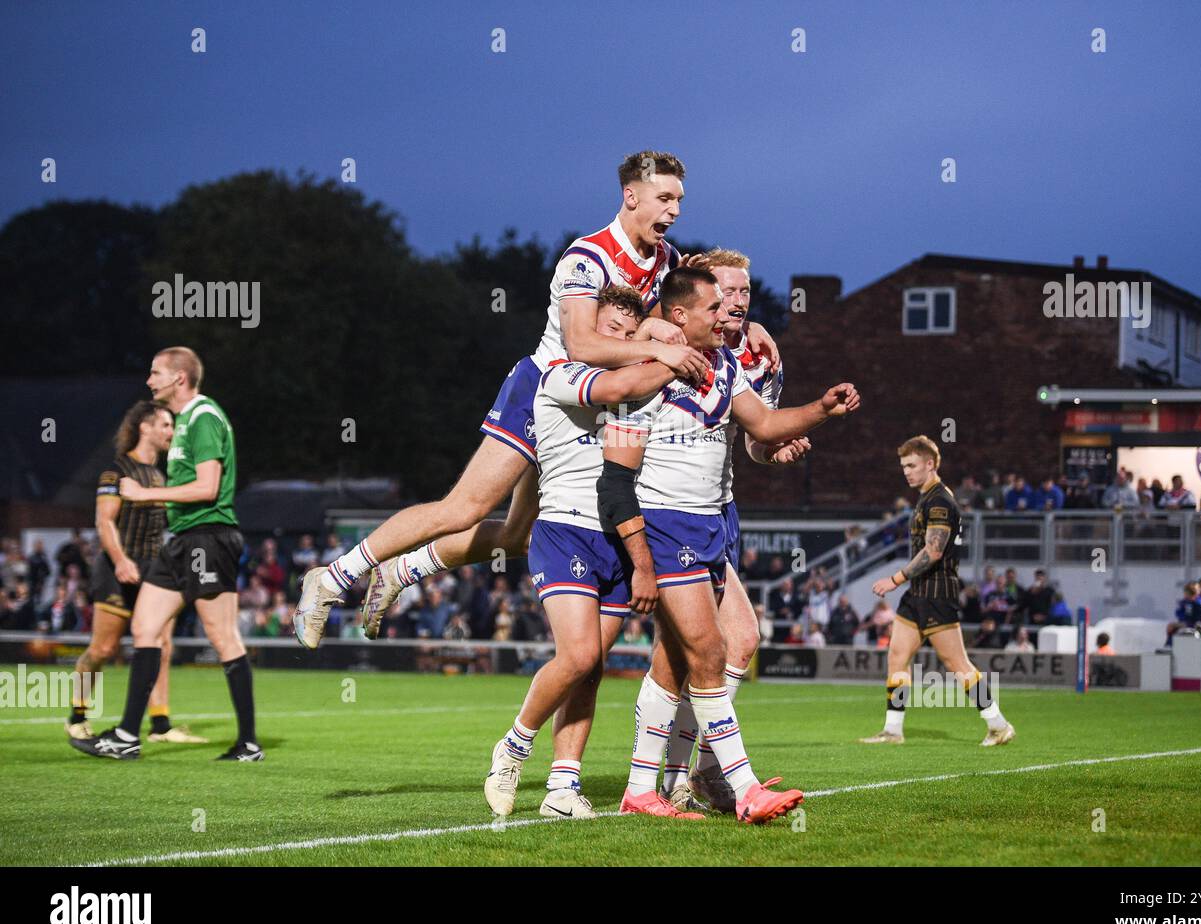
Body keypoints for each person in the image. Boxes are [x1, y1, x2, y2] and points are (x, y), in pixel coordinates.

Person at [296, 151, 782, 647]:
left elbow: (693, 312)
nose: (675, 210)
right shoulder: (586, 257)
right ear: (631, 196)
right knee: (465, 507)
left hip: (599, 408)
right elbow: (582, 346)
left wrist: (749, 325)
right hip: (546, 392)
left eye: (679, 199)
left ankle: (403, 571)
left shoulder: (669, 261)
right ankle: (333, 578)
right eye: (665, 198)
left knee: (516, 537)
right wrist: (656, 346)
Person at [599, 266, 858, 823]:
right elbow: (615, 474)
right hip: (666, 526)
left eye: (728, 305)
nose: (727, 316)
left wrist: (821, 409)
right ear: (678, 316)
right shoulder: (644, 371)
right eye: (713, 308)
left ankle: (643, 790)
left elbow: (764, 425)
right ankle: (741, 788)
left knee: (673, 663)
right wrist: (640, 557)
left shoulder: (722, 366)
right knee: (712, 652)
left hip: (709, 526)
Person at [480, 286, 679, 819]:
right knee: (578, 656)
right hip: (565, 530)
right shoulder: (564, 374)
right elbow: (622, 378)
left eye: (624, 331)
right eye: (606, 328)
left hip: (617, 537)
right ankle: (514, 747)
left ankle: (562, 789)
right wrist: (674, 353)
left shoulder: (636, 393)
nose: (613, 339)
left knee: (589, 671)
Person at [69, 347, 260, 762]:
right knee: (145, 627)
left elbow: (208, 488)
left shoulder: (203, 417)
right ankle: (126, 735)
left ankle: (248, 744)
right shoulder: (188, 421)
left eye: (155, 373)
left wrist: (145, 493)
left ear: (179, 378)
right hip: (183, 540)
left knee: (223, 636)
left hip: (209, 537)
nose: (148, 380)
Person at [67, 400, 206, 744]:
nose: (171, 432)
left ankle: (160, 724)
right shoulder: (116, 472)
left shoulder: (162, 478)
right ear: (145, 427)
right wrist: (121, 560)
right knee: (102, 649)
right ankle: (78, 715)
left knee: (162, 644)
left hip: (154, 569)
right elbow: (104, 522)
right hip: (117, 568)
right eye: (166, 425)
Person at [864, 435, 1015, 747]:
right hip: (918, 593)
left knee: (957, 664)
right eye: (903, 466)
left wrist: (894, 579)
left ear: (930, 464)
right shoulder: (926, 497)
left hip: (938, 592)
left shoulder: (940, 501)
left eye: (912, 465)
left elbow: (933, 552)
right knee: (897, 656)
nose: (906, 471)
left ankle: (998, 724)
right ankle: (893, 730)